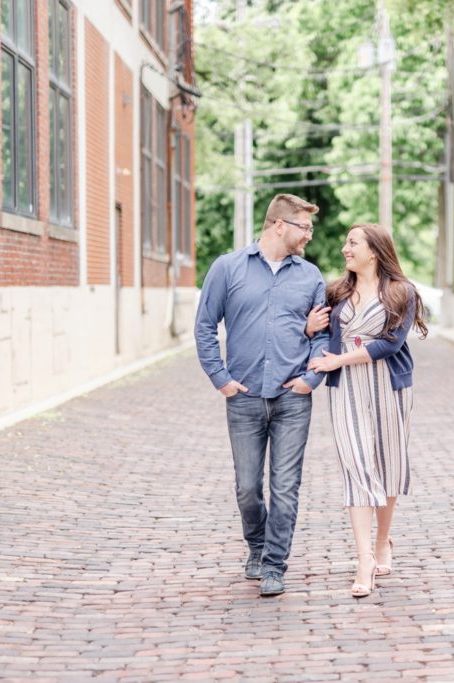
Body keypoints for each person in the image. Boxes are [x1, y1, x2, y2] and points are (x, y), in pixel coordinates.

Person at [194, 193, 329, 597]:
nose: (309, 235)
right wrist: (220, 378)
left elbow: (322, 334)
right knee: (247, 487)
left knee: (285, 487)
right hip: (245, 396)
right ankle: (256, 545)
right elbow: (204, 326)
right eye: (304, 227)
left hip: (292, 398)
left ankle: (274, 564)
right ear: (279, 225)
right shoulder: (227, 268)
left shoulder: (310, 276)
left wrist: (310, 378)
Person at [306, 223, 428, 598]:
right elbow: (321, 334)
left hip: (389, 388)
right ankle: (363, 560)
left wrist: (340, 358)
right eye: (345, 241)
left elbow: (390, 345)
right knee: (358, 467)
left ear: (374, 251)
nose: (345, 248)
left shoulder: (401, 293)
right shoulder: (336, 291)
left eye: (352, 242)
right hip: (347, 390)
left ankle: (382, 542)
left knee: (387, 466)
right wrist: (310, 330)